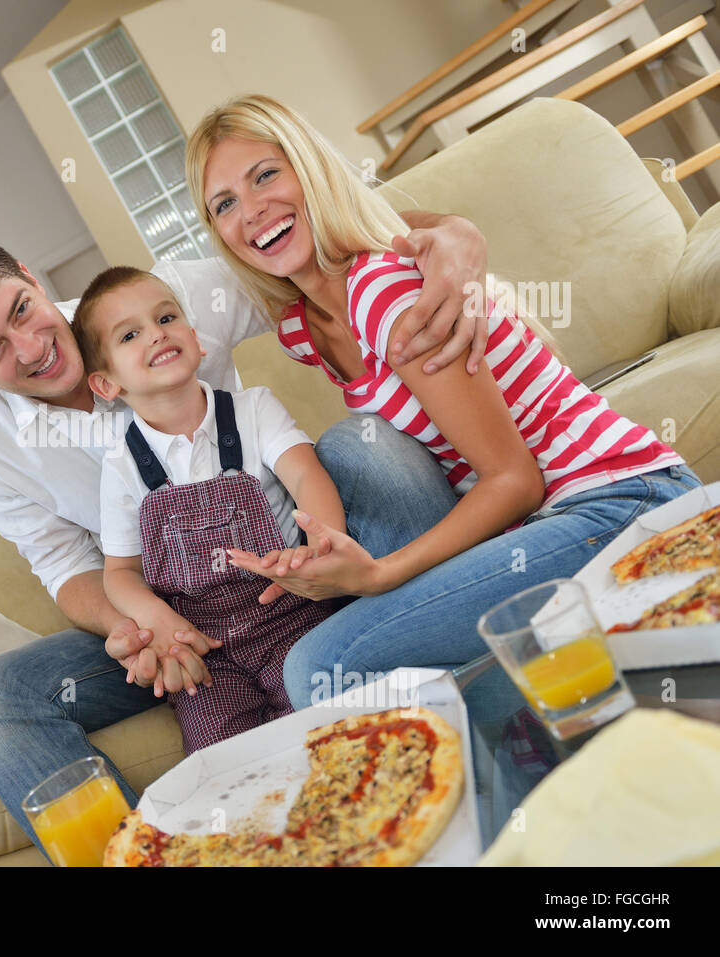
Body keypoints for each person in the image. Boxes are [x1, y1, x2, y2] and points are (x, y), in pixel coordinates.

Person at [0, 221, 486, 857]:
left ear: (29, 276)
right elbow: (65, 563)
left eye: (22, 311)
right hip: (175, 615)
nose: (32, 349)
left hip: (302, 572)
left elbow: (318, 239)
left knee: (367, 448)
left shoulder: (162, 301)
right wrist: (146, 627)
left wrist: (450, 239)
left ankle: (456, 688)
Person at [186, 94, 701, 710]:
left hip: (617, 502)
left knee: (321, 666)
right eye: (225, 204)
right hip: (542, 525)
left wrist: (380, 575)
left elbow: (515, 480)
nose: (253, 211)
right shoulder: (304, 328)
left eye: (266, 174)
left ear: (310, 170)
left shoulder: (382, 294)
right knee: (351, 453)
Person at [73, 265, 343, 753]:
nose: (156, 334)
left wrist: (318, 546)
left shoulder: (253, 410)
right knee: (220, 751)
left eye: (167, 317)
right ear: (106, 384)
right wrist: (156, 617)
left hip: (292, 610)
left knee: (323, 719)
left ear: (198, 342)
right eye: (131, 334)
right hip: (202, 644)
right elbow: (120, 572)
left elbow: (307, 476)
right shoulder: (122, 467)